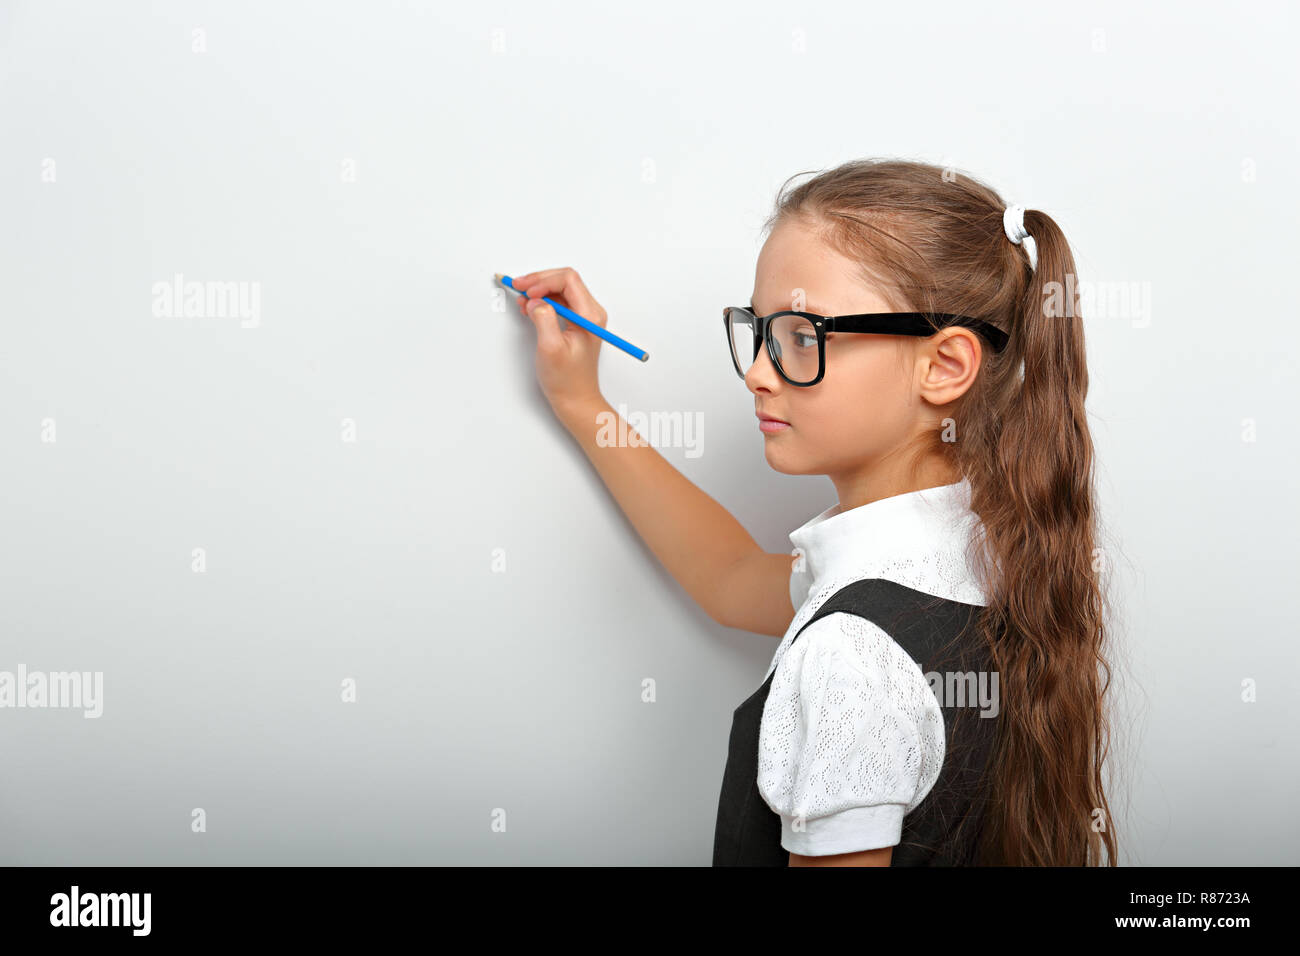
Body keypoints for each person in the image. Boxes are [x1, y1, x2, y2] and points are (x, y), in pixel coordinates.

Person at [512, 157, 1118, 867]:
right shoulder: (980, 551)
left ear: (946, 366)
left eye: (803, 336)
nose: (760, 372)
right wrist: (584, 404)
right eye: (761, 330)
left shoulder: (852, 654)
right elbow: (732, 576)